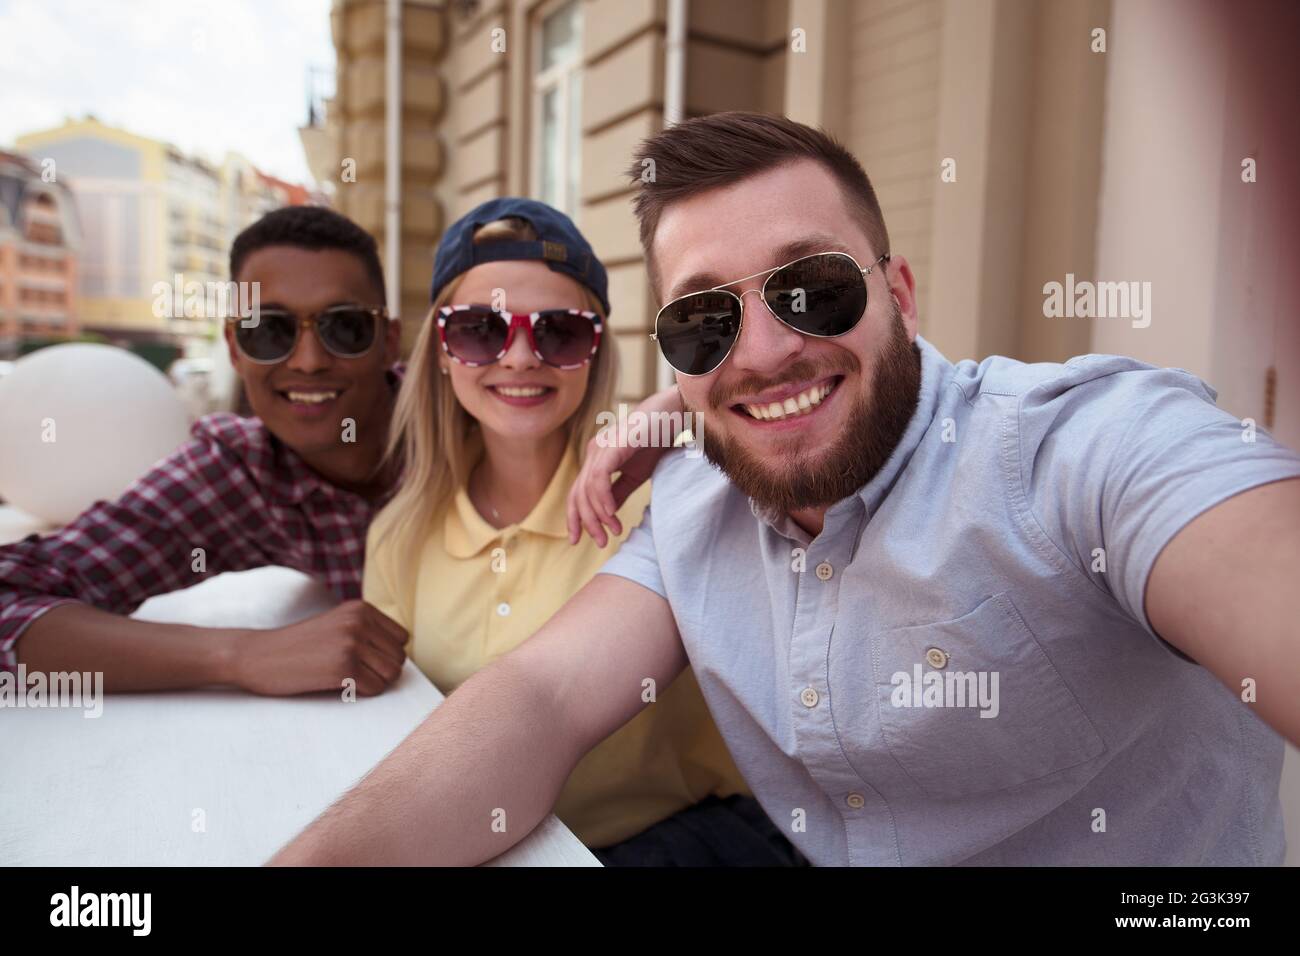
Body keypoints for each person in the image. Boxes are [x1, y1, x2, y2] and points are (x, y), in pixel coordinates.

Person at [273, 111, 1300, 867]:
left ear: (897, 293)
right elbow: (539, 697)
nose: (763, 350)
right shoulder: (690, 508)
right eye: (704, 323)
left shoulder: (1083, 451)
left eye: (814, 290)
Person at [362, 197, 796, 865]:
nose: (519, 356)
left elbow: (822, 416)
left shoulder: (676, 492)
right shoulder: (400, 533)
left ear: (595, 351)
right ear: (442, 353)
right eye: (480, 329)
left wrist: (677, 401)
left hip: (678, 842)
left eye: (559, 332)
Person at [0, 205, 410, 695]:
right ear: (235, 350)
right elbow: (12, 598)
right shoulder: (235, 474)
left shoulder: (474, 420)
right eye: (269, 330)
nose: (309, 361)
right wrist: (240, 655)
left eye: (345, 327)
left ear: (388, 342)